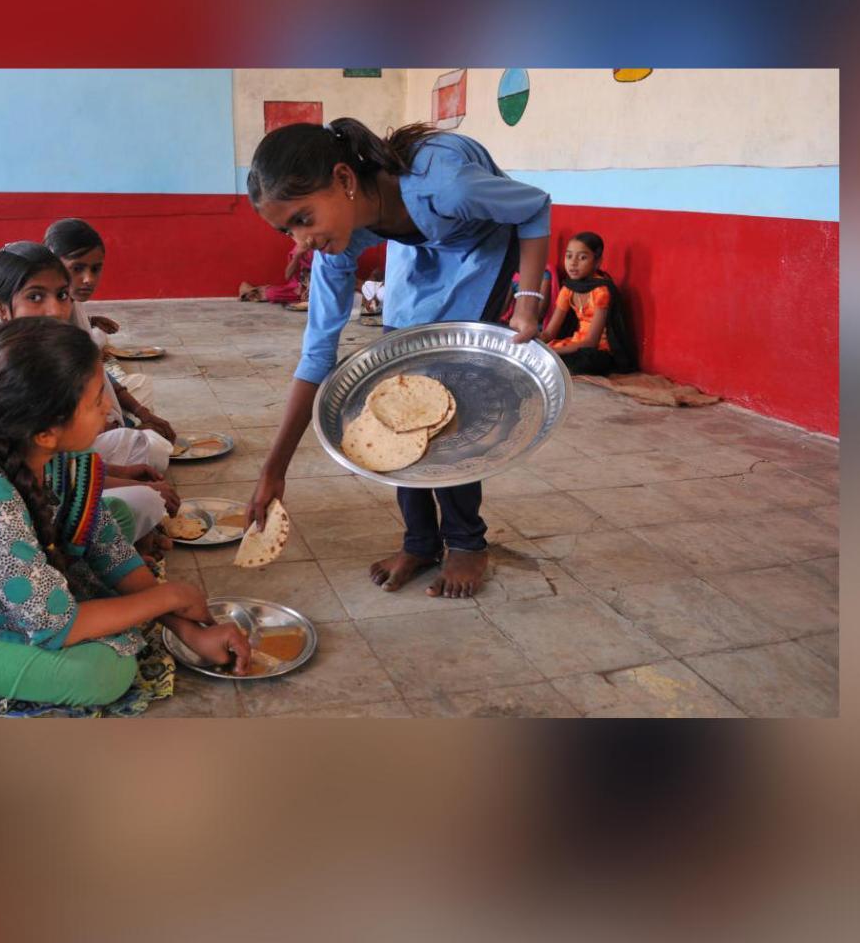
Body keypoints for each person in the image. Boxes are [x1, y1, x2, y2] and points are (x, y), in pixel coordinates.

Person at [0, 320, 250, 706]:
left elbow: (108, 547)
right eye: (96, 400)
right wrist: (170, 595)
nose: (110, 411)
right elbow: (55, 626)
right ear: (46, 430)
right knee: (102, 672)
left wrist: (188, 631)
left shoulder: (51, 451)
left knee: (110, 516)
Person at [244, 118, 550, 599]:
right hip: (421, 247)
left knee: (454, 397)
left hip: (481, 249)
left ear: (345, 180)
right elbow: (317, 355)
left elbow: (533, 207)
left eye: (303, 219)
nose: (300, 242)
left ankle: (467, 543)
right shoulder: (337, 240)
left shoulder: (446, 184)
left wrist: (528, 301)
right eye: (287, 231)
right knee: (395, 394)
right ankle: (420, 542)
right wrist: (273, 470)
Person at [0, 242, 176, 549]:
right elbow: (31, 472)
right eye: (35, 297)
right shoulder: (6, 367)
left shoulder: (31, 350)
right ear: (1, 308)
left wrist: (121, 474)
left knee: (146, 456)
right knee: (140, 504)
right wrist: (128, 484)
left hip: (26, 471)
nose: (55, 310)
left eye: (62, 295)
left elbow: (50, 457)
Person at [43, 218, 177, 448]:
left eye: (96, 269)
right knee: (154, 450)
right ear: (53, 264)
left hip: (91, 408)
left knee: (141, 383)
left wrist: (141, 412)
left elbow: (97, 373)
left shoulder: (73, 305)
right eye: (77, 268)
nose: (89, 279)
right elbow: (55, 410)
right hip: (65, 430)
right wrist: (124, 427)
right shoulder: (46, 323)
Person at [541, 232, 636, 375]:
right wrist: (533, 340)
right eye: (569, 256)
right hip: (574, 343)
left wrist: (553, 352)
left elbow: (591, 342)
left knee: (582, 363)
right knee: (540, 356)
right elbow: (549, 332)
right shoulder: (568, 289)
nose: (573, 263)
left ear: (597, 262)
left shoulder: (601, 291)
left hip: (598, 350)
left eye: (582, 257)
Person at [238, 244, 314, 307]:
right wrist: (297, 256)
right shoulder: (298, 249)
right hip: (300, 288)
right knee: (271, 293)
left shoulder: (321, 249)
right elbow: (288, 276)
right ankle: (252, 291)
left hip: (318, 288)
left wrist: (312, 290)